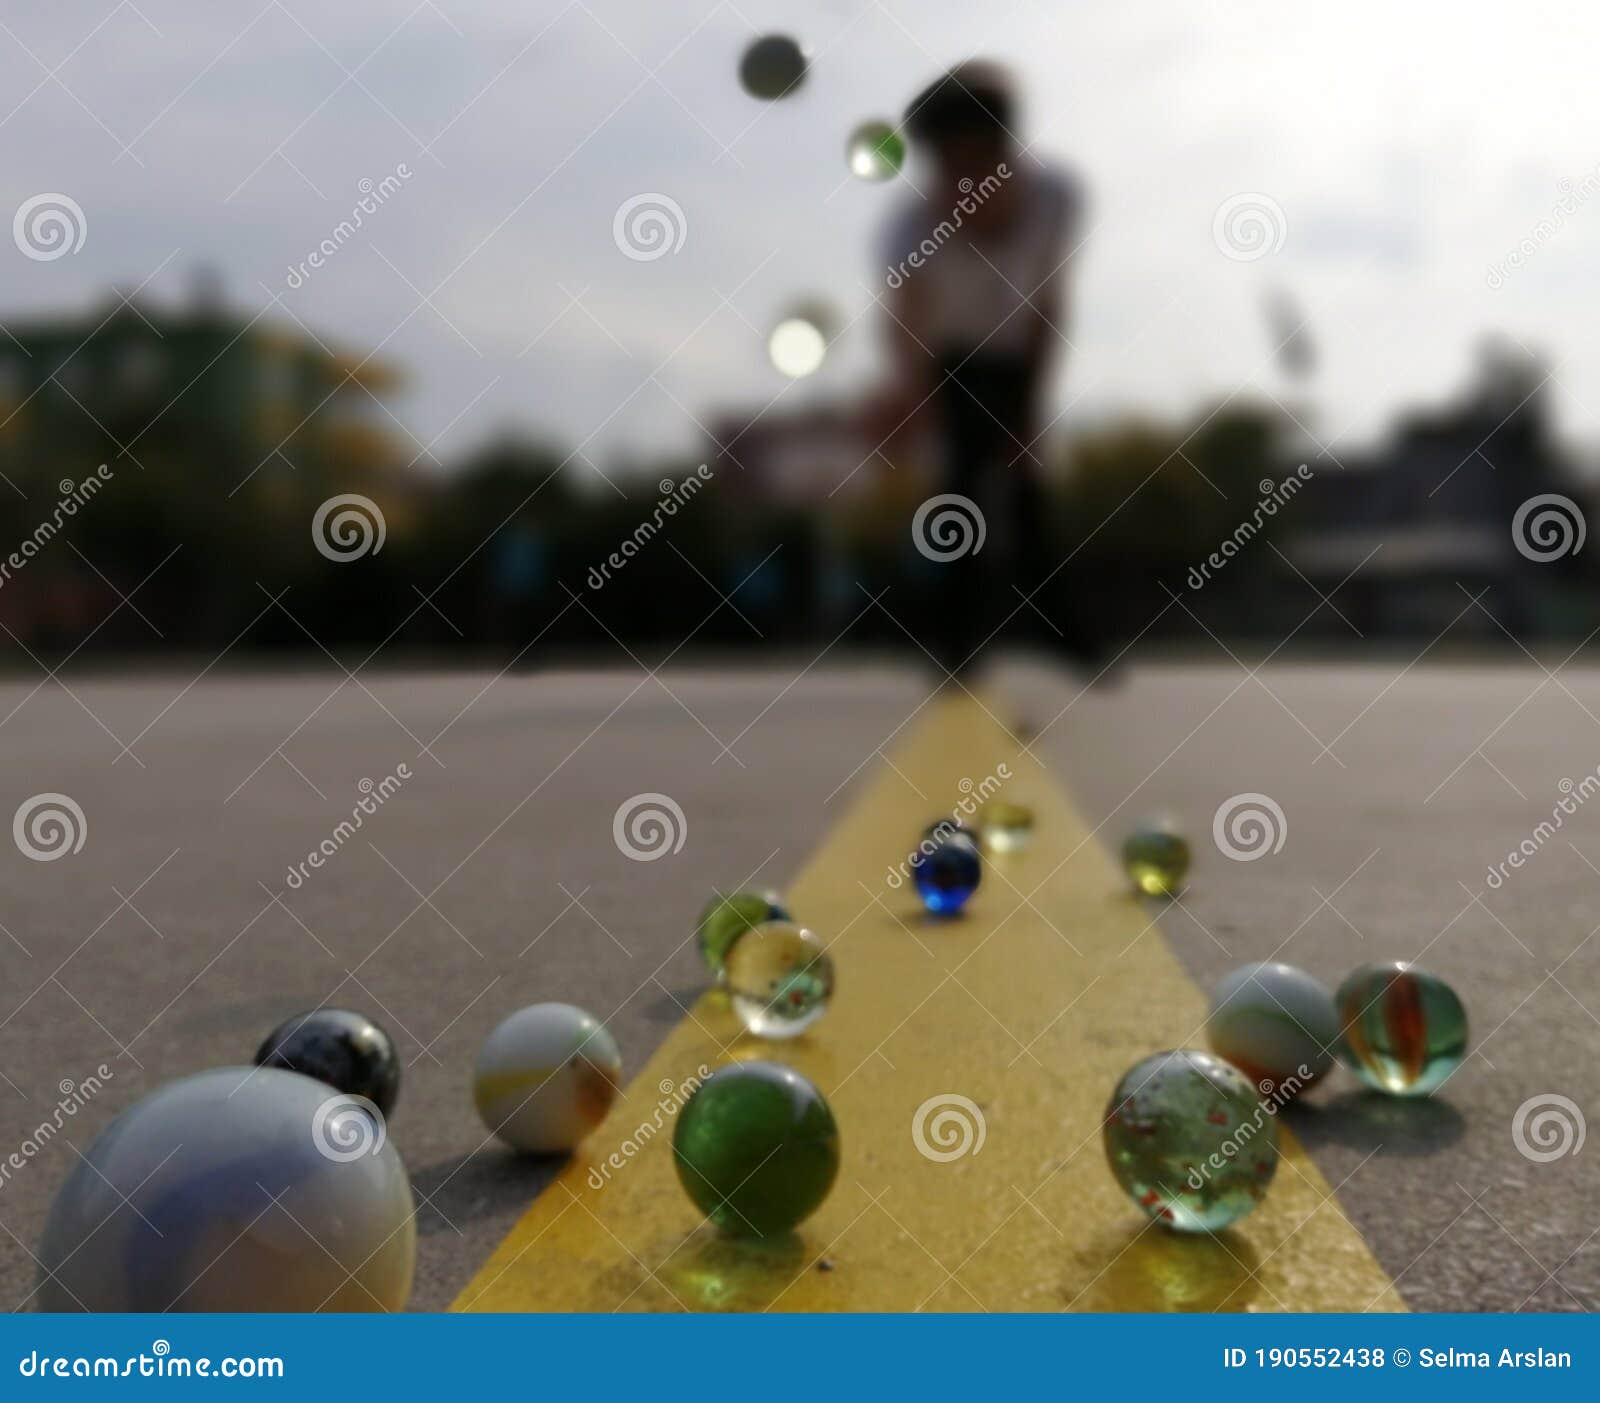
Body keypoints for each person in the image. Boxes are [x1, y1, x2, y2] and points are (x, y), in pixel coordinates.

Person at [871, 62, 1087, 675]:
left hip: (1016, 354)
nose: (957, 185)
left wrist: (1032, 410)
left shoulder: (1056, 199)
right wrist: (914, 401)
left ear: (1004, 155)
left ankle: (1063, 631)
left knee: (1026, 491)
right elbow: (906, 323)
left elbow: (1050, 299)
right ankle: (956, 643)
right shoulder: (911, 230)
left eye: (971, 165)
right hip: (951, 360)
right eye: (943, 169)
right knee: (961, 487)